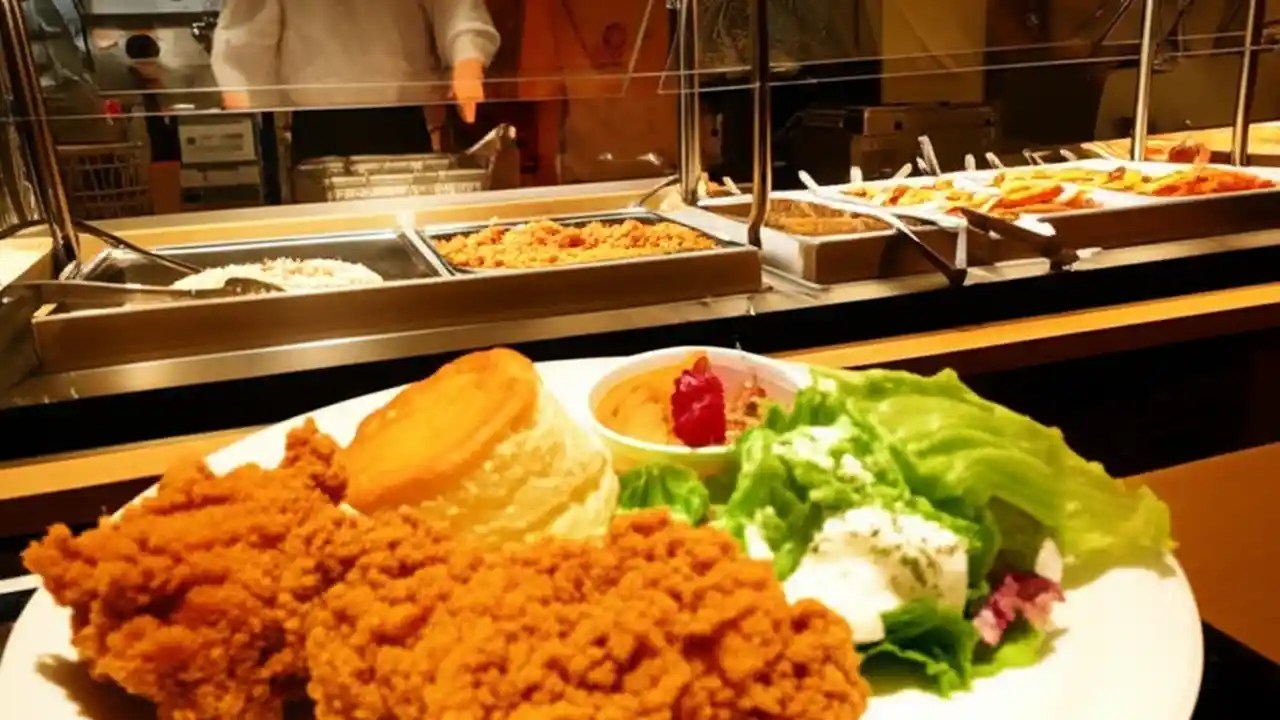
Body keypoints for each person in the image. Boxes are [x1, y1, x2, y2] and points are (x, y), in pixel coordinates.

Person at [210, 0, 500, 165]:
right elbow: (245, 34)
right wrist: (241, 94)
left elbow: (457, 9)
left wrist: (468, 61)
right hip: (317, 123)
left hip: (402, 115)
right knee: (324, 236)